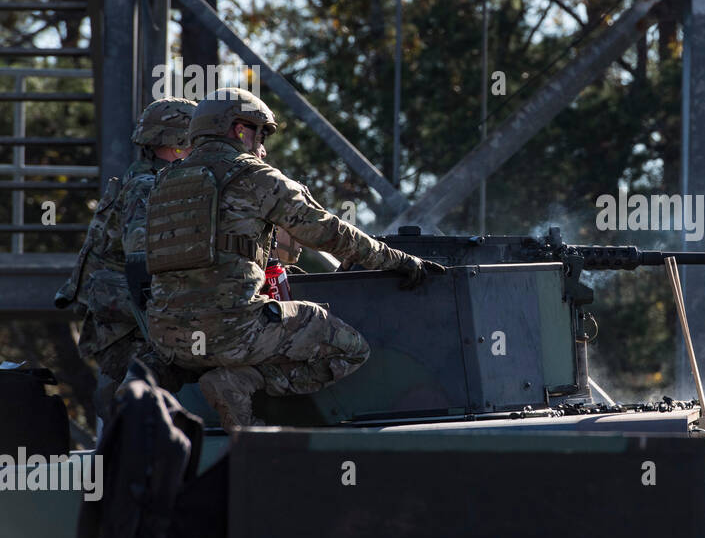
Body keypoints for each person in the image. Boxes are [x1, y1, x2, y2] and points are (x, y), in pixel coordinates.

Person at [143, 87, 443, 429]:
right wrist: (399, 261)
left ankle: (168, 380)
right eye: (260, 133)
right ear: (238, 129)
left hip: (167, 338)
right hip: (231, 332)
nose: (263, 147)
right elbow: (330, 234)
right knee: (351, 348)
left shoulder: (163, 183)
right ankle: (242, 382)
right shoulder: (256, 178)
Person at [55, 97, 197, 425]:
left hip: (126, 314)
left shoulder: (152, 178)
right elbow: (143, 263)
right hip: (129, 320)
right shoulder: (147, 186)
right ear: (179, 143)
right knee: (129, 403)